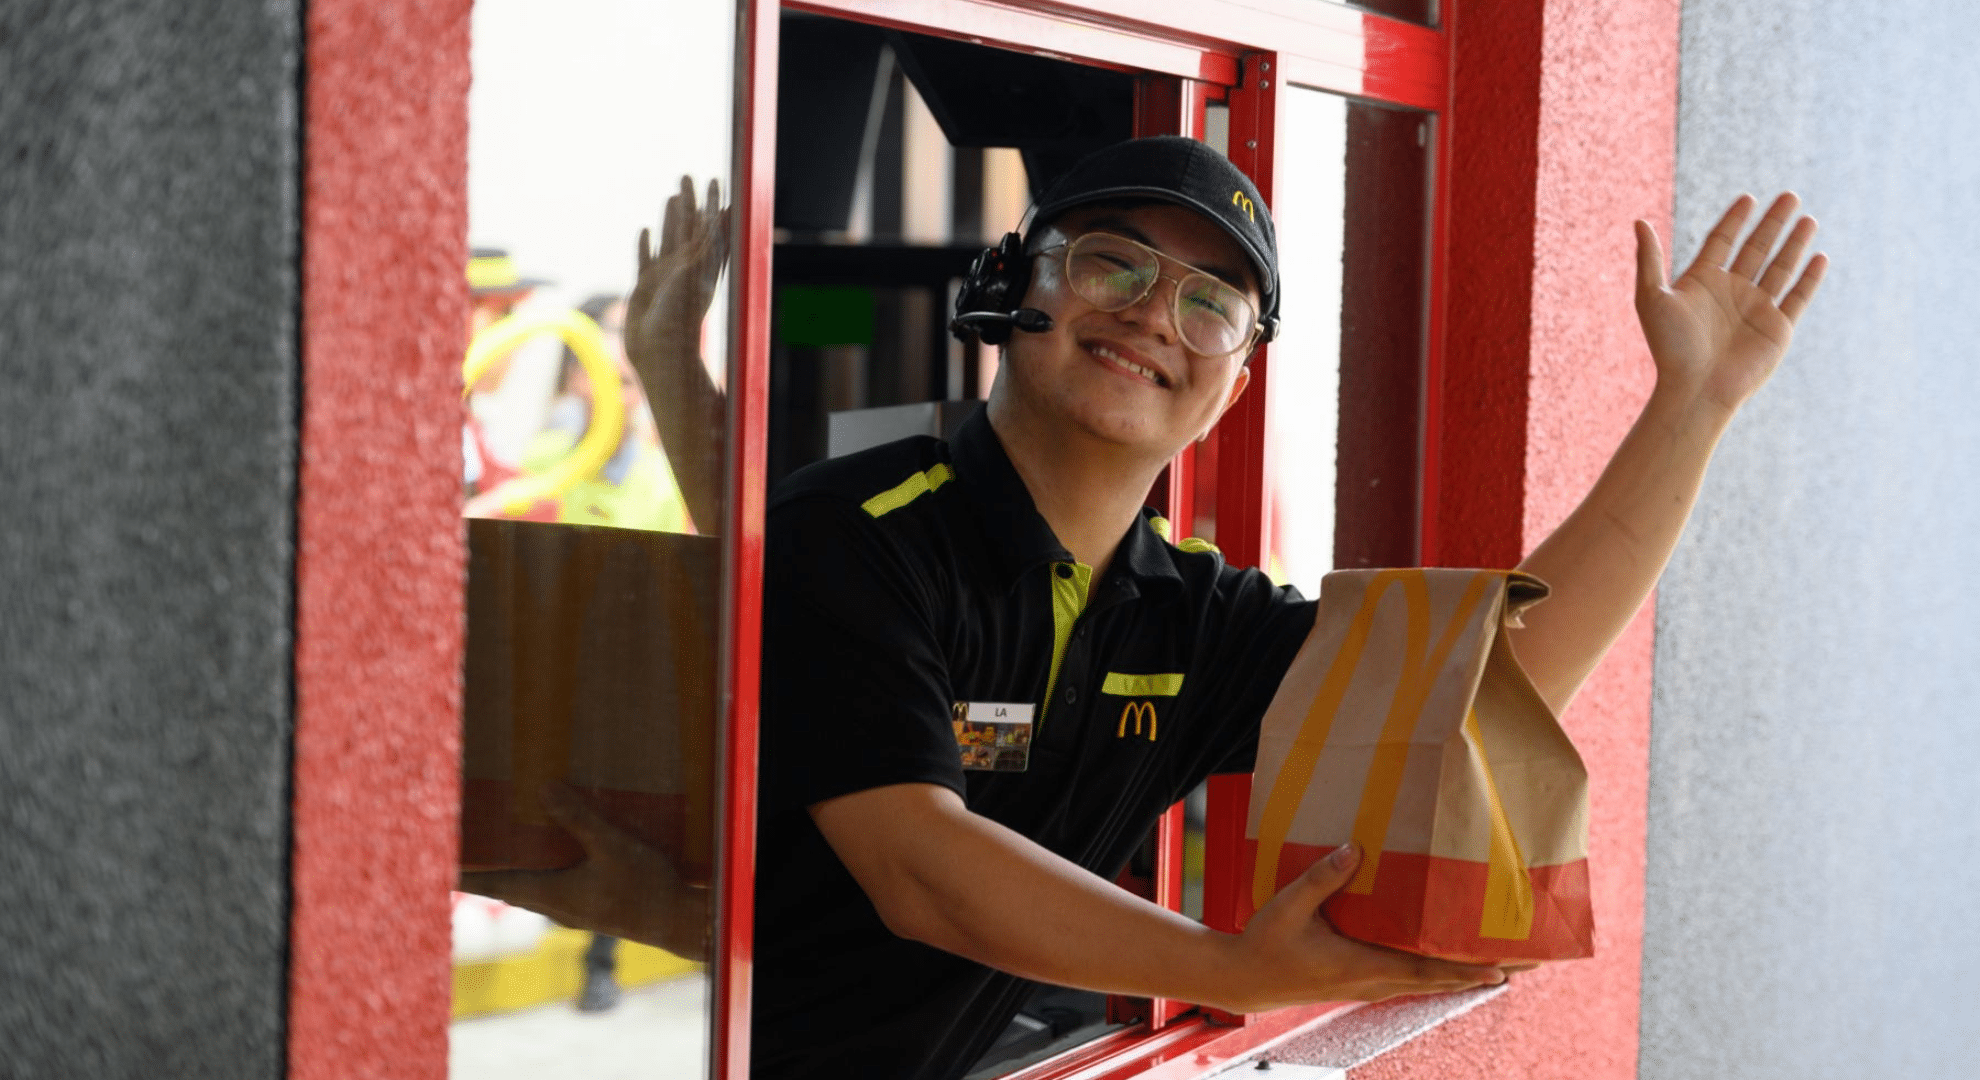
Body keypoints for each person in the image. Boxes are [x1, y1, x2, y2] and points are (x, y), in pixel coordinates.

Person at [469, 141, 1827, 1079]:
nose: (1156, 318)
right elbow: (920, 864)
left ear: (1236, 380)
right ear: (1019, 292)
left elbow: (1484, 694)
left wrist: (1692, 408)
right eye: (1113, 264)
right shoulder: (859, 533)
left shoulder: (1198, 619)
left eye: (1213, 303)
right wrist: (1227, 965)